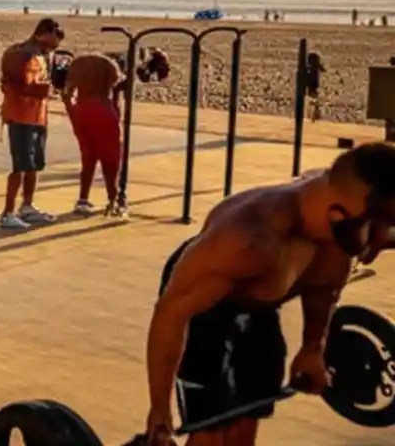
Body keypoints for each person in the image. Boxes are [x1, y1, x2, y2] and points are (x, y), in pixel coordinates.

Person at [144, 143, 395, 446]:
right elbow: (172, 312)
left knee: (249, 415)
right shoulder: (247, 238)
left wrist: (313, 347)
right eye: (380, 228)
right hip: (204, 308)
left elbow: (324, 290)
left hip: (259, 305)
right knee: (213, 430)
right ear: (340, 215)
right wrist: (159, 409)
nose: (382, 240)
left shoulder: (340, 230)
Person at [0, 18, 64, 229]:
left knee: (34, 164)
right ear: (43, 33)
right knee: (20, 165)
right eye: (56, 36)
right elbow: (16, 85)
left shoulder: (43, 55)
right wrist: (43, 90)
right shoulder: (22, 55)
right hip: (21, 116)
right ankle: (7, 213)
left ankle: (27, 206)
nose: (58, 42)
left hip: (38, 116)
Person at [62, 52, 125, 216]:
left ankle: (83, 198)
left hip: (82, 111)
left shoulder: (78, 67)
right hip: (104, 112)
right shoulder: (109, 73)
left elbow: (67, 95)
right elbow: (115, 98)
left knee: (88, 157)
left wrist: (73, 113)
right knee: (110, 159)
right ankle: (113, 199)